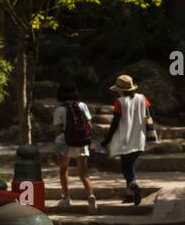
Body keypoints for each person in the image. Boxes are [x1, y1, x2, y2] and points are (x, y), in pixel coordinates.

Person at [101, 74, 158, 205]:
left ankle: (134, 186)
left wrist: (107, 140)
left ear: (121, 90)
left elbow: (115, 123)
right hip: (140, 139)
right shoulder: (142, 98)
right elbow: (150, 114)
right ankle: (129, 195)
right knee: (130, 166)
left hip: (125, 141)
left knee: (126, 169)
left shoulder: (119, 102)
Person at [52, 82, 97, 211]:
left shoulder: (59, 110)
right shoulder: (82, 105)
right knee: (83, 173)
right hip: (81, 142)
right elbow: (89, 125)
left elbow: (57, 129)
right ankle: (91, 196)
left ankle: (66, 198)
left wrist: (57, 143)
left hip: (65, 142)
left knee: (63, 169)